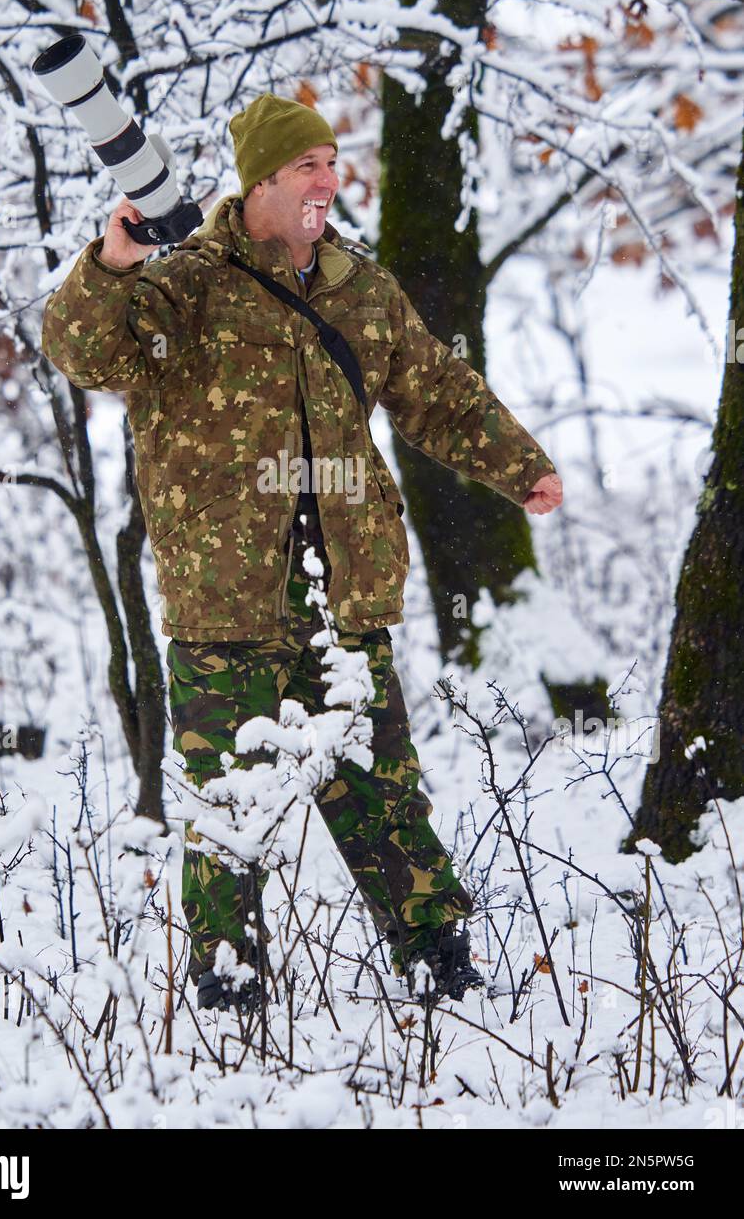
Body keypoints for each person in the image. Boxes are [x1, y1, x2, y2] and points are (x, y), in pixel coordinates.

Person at [41, 93, 563, 1012]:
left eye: (331, 161)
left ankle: (442, 963)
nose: (329, 180)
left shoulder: (358, 287)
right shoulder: (185, 281)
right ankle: (228, 991)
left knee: (382, 792)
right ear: (259, 184)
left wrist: (519, 468)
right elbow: (83, 351)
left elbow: (435, 387)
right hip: (226, 602)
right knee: (227, 811)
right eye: (305, 167)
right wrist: (112, 264)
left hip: (341, 596)